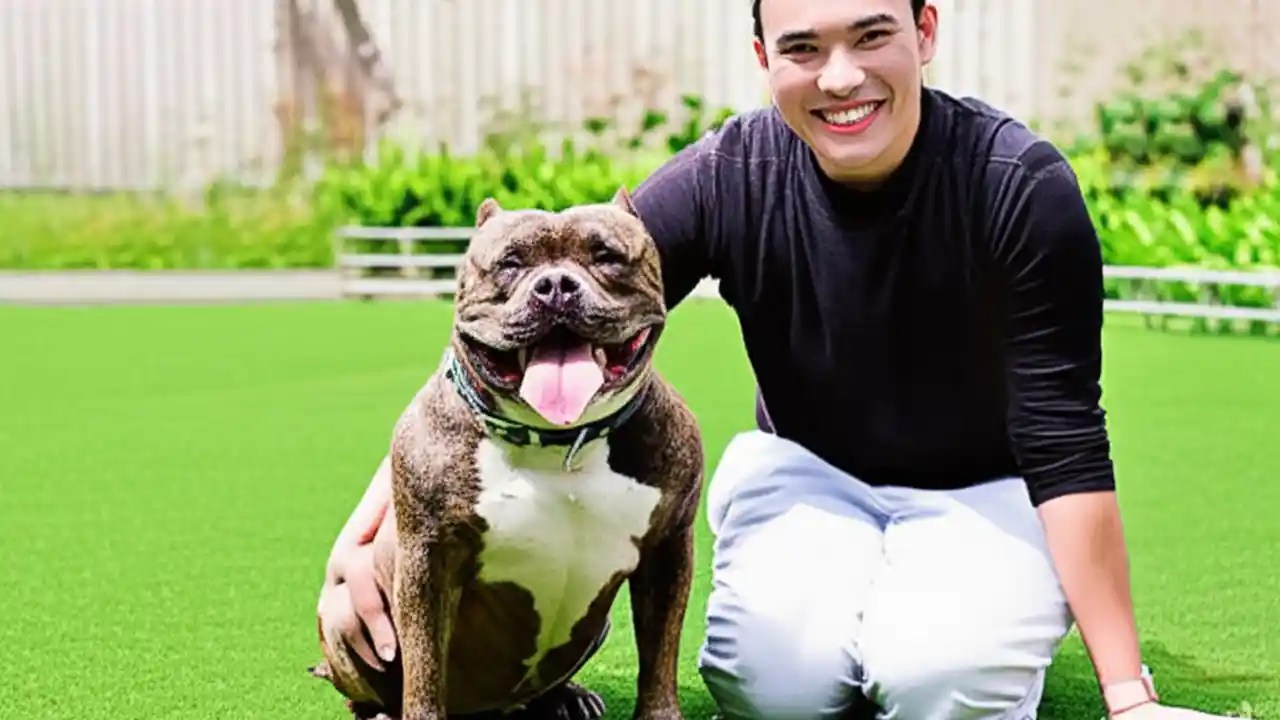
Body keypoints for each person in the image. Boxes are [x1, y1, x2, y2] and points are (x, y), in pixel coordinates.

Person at [317, 0, 1237, 717]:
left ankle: (963, 611)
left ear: (924, 32)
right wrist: (363, 540)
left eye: (871, 36)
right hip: (808, 472)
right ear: (764, 59)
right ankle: (872, 599)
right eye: (802, 48)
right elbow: (521, 322)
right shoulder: (732, 173)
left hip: (981, 488)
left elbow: (1065, 440)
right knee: (778, 694)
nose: (840, 78)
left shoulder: (1018, 189)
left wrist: (1130, 698)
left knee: (943, 689)